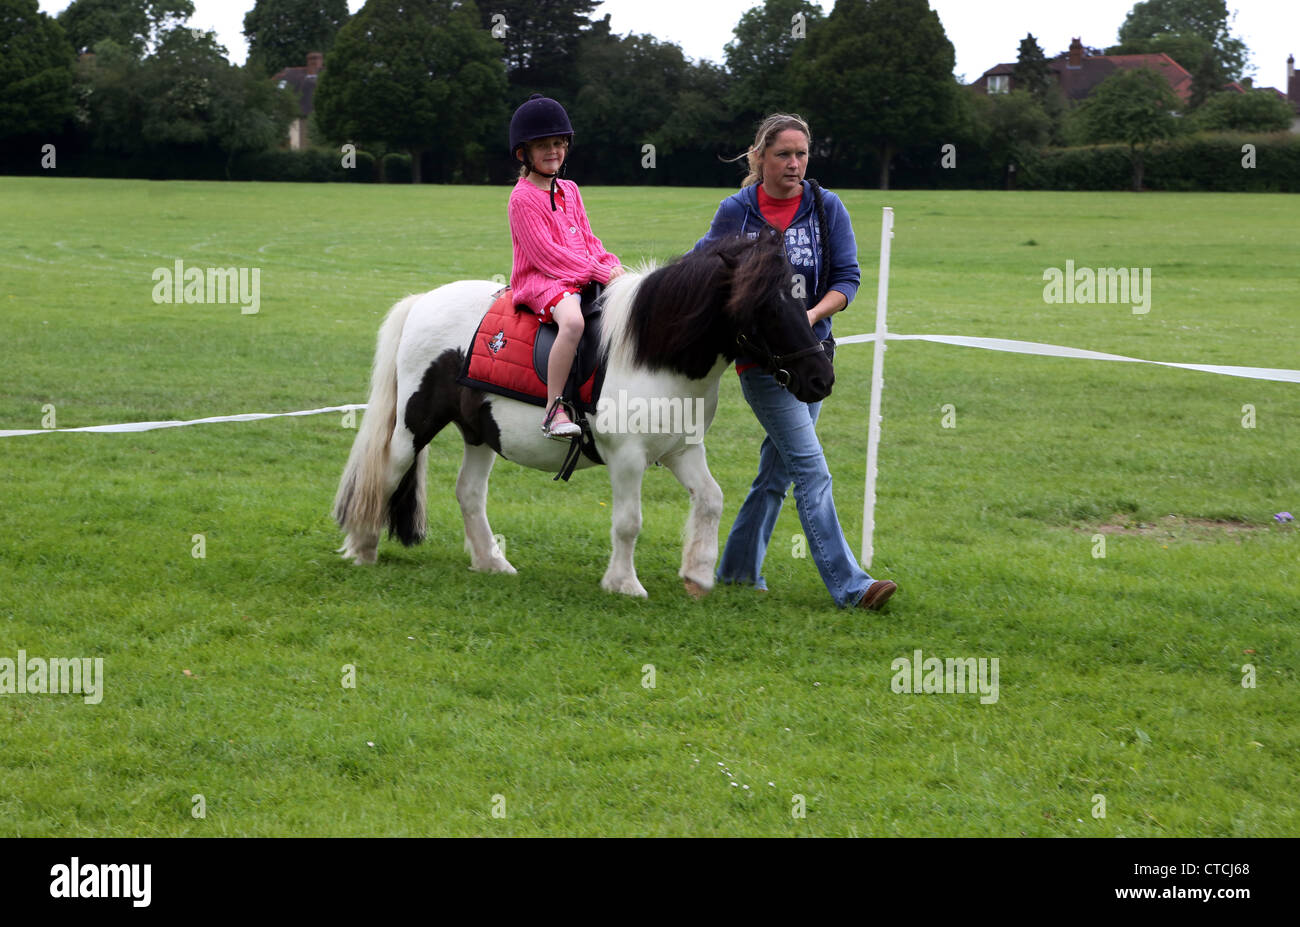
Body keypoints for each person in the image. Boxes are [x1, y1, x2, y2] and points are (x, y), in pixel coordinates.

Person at [693, 113, 897, 610]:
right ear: (759, 157)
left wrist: (809, 316)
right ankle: (851, 587)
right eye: (783, 154)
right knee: (811, 469)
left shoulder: (826, 208)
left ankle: (738, 570)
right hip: (761, 363)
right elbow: (697, 266)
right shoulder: (735, 212)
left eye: (802, 154)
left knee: (777, 473)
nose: (794, 163)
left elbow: (847, 279)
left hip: (812, 358)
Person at [507, 94, 624, 439]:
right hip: (543, 281)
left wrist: (612, 265)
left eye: (558, 143)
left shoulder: (570, 190)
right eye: (542, 145)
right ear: (523, 153)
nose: (553, 151)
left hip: (580, 273)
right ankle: (554, 408)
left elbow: (589, 240)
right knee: (572, 322)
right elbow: (548, 257)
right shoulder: (522, 198)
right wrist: (599, 272)